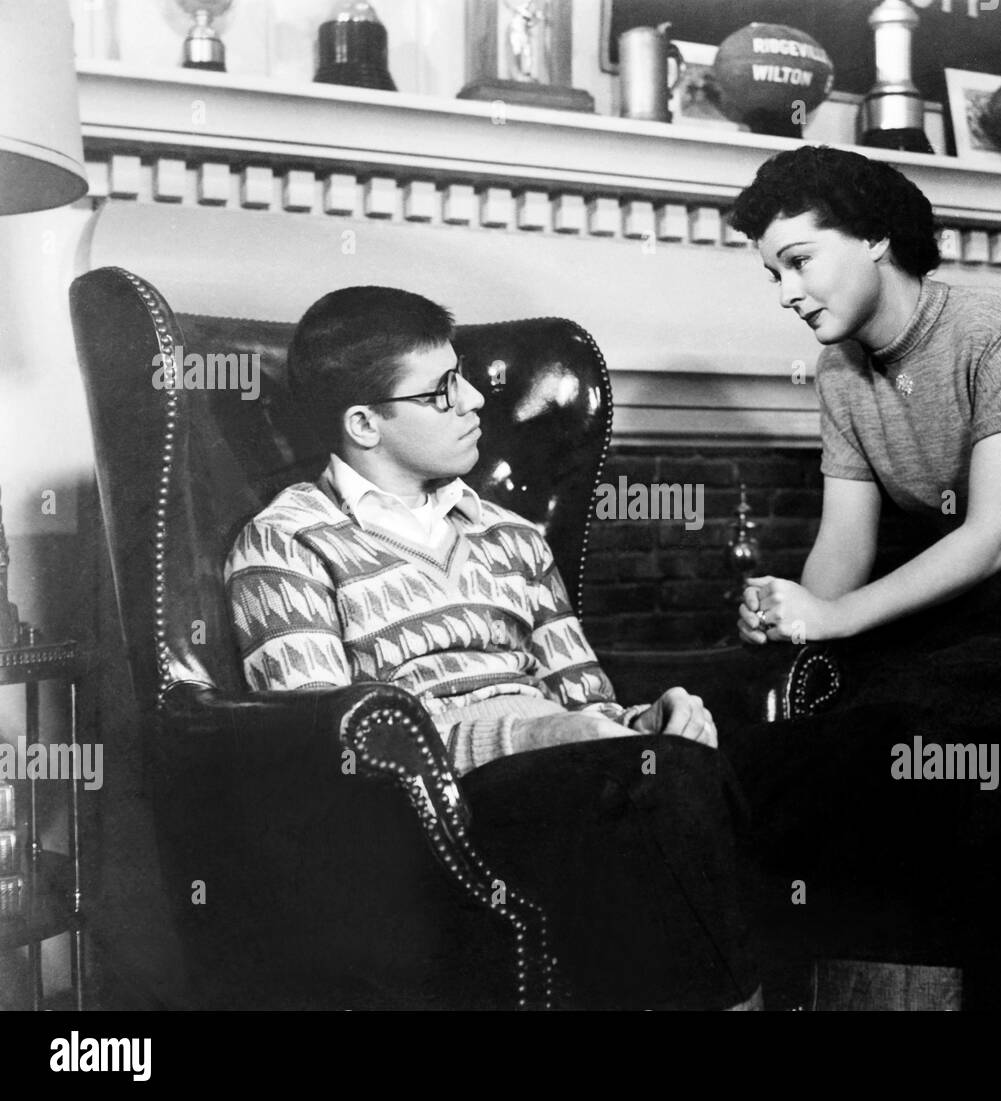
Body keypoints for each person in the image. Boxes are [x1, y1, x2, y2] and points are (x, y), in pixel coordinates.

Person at [224, 286, 759, 1011]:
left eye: (464, 376)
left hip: (577, 778)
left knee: (740, 764)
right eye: (444, 391)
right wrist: (533, 733)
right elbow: (330, 754)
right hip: (439, 816)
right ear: (364, 422)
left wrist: (648, 722)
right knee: (660, 790)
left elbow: (585, 705)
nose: (476, 399)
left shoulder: (511, 535)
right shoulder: (286, 542)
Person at [722, 146, 1001, 1006]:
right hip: (966, 605)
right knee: (819, 736)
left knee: (906, 725)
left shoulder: (998, 324)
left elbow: (996, 536)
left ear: (878, 238)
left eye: (800, 260)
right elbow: (843, 549)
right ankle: (828, 982)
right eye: (773, 273)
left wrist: (837, 621)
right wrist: (789, 613)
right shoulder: (841, 370)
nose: (787, 293)